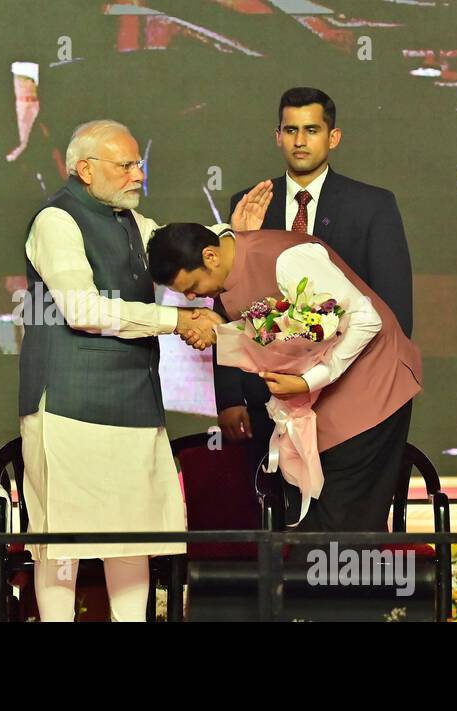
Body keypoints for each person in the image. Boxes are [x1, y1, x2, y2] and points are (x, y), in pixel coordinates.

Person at [18, 118, 269, 621]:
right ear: (85, 170)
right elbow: (83, 311)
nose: (139, 173)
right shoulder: (56, 221)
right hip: (69, 406)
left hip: (134, 403)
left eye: (140, 163)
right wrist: (177, 320)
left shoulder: (135, 223)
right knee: (62, 543)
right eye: (127, 164)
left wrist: (231, 237)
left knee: (132, 537)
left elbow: (182, 251)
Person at [219, 88, 412, 524]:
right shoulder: (248, 206)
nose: (300, 140)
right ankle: (289, 595)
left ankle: (348, 594)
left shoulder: (373, 205)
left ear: (333, 137)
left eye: (312, 130)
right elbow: (228, 308)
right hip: (270, 398)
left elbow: (394, 313)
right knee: (281, 525)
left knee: (345, 525)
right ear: (277, 137)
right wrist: (230, 394)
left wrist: (329, 380)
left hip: (352, 396)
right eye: (291, 130)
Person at [148, 223, 421, 532]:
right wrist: (220, 331)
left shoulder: (287, 259)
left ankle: (350, 578)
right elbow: (273, 331)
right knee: (315, 528)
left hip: (372, 393)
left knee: (344, 527)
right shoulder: (223, 259)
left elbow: (365, 320)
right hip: (316, 411)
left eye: (192, 287)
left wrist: (309, 381)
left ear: (210, 256)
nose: (193, 297)